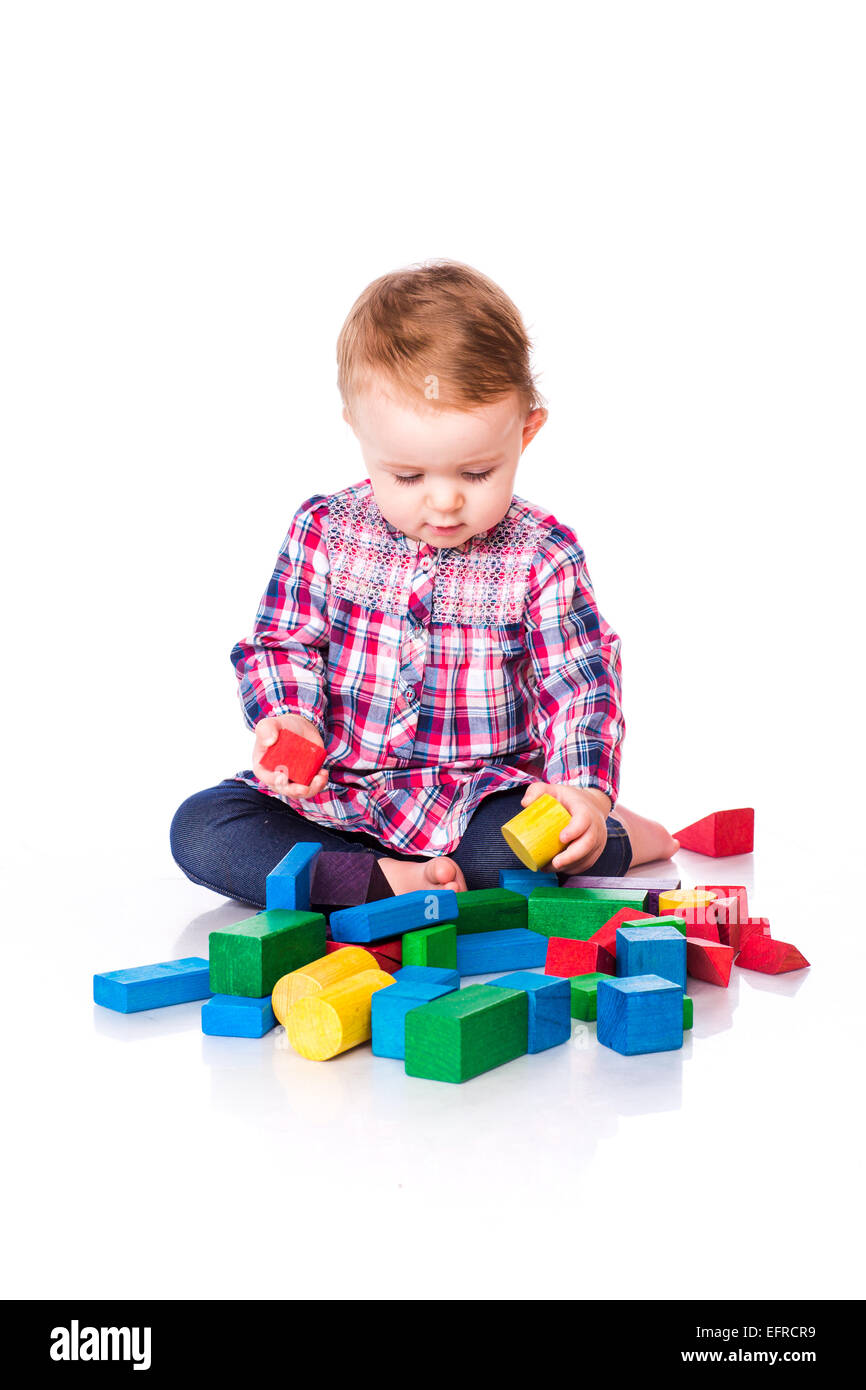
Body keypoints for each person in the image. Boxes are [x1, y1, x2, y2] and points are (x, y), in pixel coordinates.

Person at [170, 260, 679, 909]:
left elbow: (578, 684)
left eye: (476, 472)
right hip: (342, 796)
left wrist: (582, 789)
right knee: (202, 830)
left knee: (512, 851)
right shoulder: (324, 530)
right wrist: (288, 719)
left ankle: (617, 835)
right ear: (360, 433)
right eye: (408, 476)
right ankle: (395, 880)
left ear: (525, 432)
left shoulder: (542, 555)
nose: (443, 503)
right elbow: (284, 643)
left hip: (475, 801)